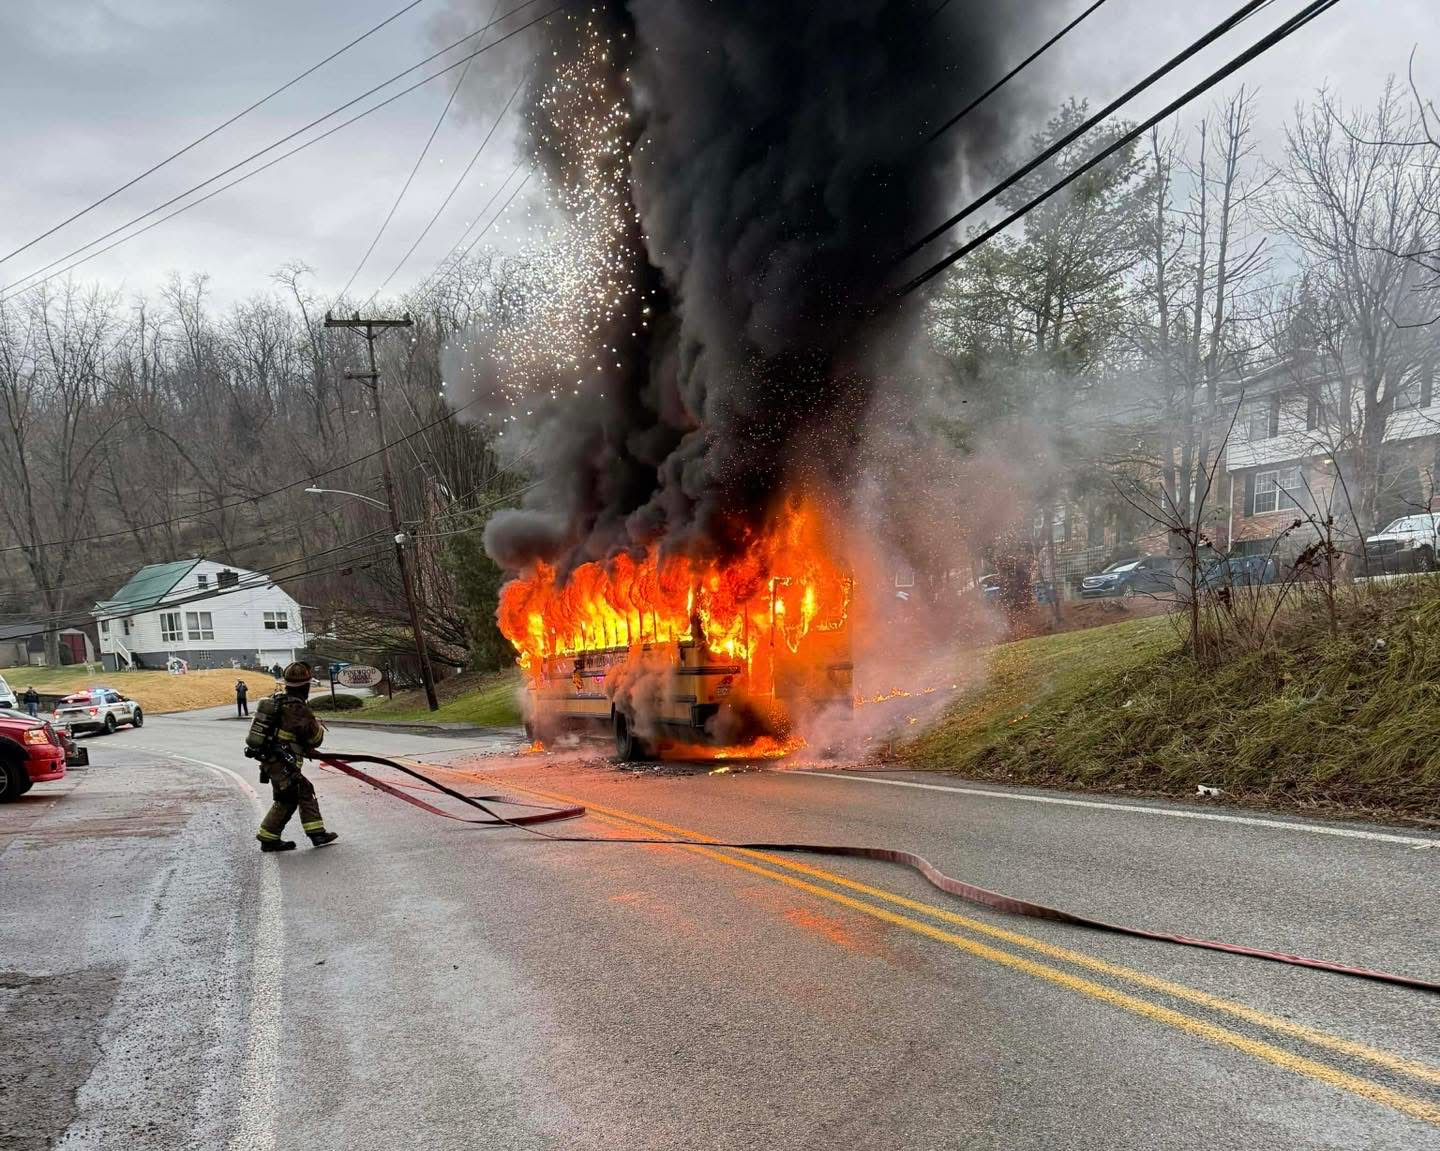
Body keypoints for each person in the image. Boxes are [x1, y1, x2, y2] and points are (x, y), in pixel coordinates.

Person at [255, 662, 338, 853]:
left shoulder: (278, 702)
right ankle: (316, 834)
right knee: (302, 789)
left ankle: (269, 837)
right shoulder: (298, 708)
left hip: (271, 759)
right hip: (281, 761)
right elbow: (314, 739)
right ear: (305, 686)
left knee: (288, 798)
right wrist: (315, 724)